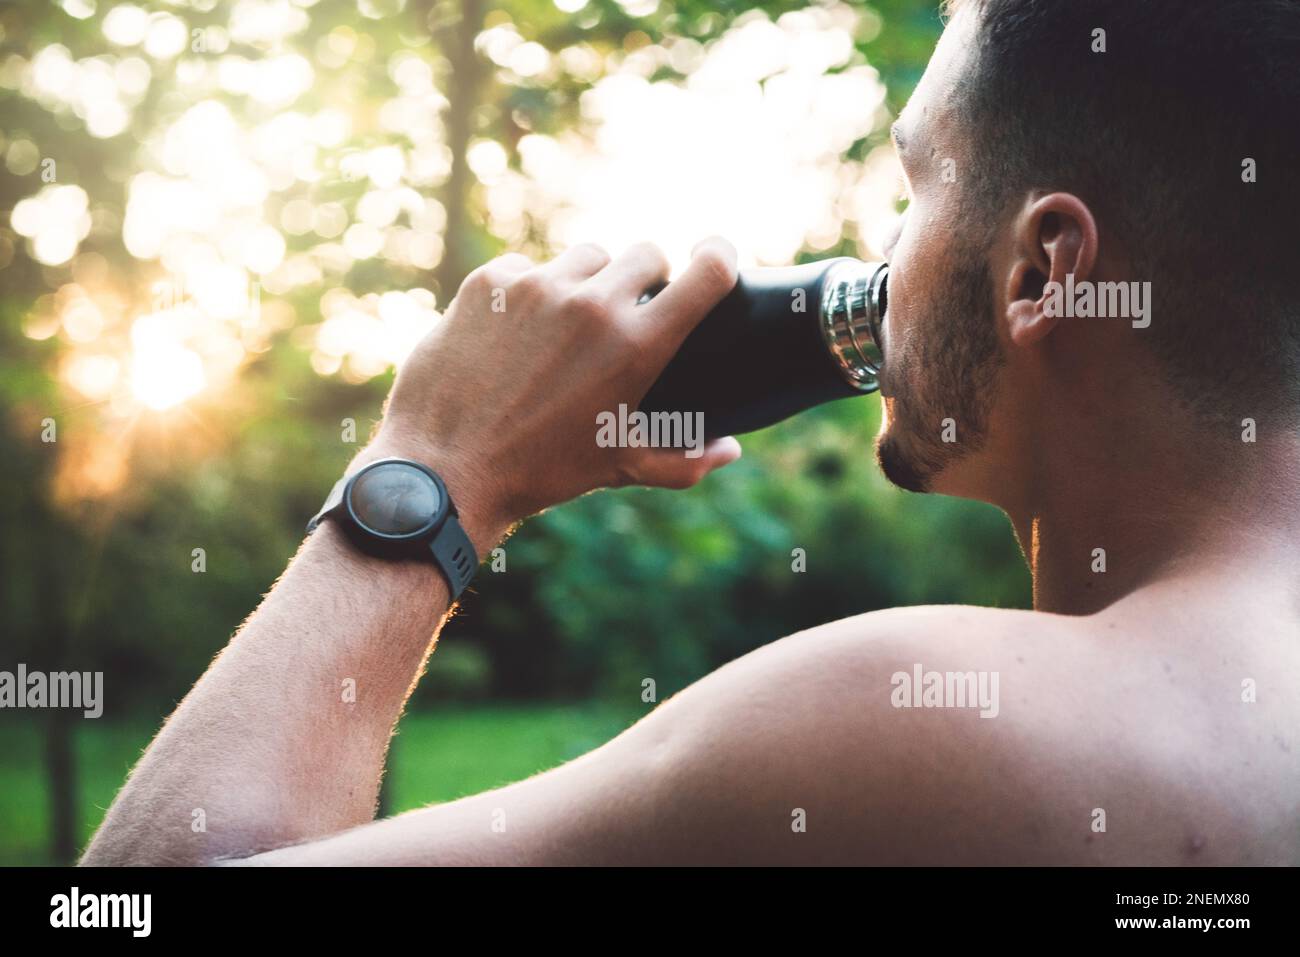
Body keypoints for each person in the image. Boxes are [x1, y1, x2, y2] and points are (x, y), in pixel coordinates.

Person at [82, 0, 1300, 865]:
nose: (883, 256)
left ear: (1041, 271)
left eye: (917, 183)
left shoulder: (929, 729)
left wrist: (433, 465)